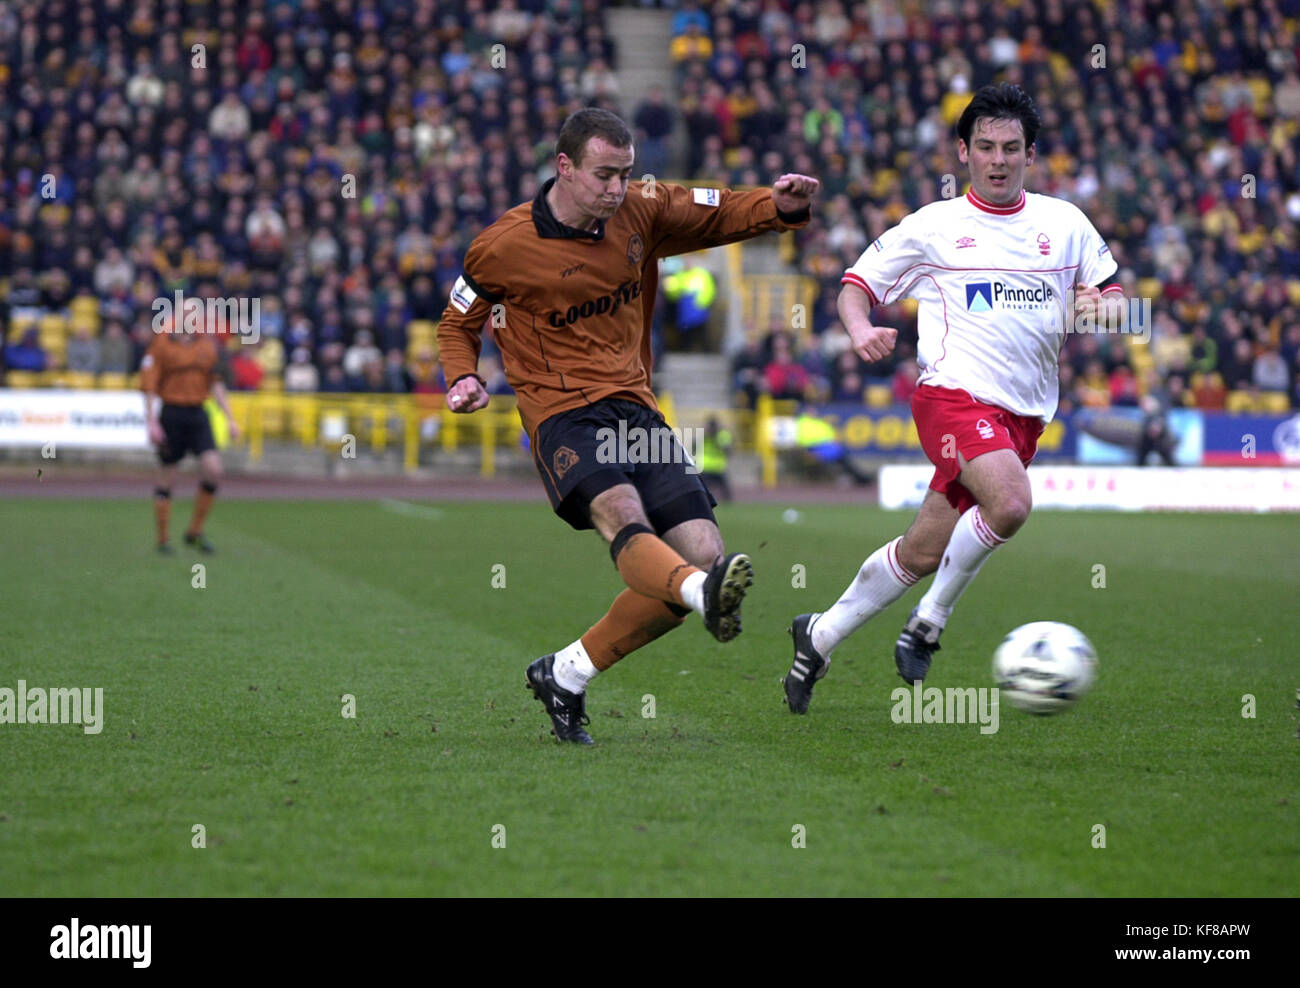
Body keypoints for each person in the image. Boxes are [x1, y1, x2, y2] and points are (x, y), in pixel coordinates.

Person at [437, 107, 818, 744]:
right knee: (624, 516)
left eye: (626, 173)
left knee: (702, 555)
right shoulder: (502, 245)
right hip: (562, 414)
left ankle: (566, 673)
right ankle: (702, 596)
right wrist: (461, 376)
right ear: (565, 166)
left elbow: (715, 210)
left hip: (635, 408)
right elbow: (458, 321)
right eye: (604, 174)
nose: (617, 188)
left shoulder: (641, 207)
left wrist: (777, 207)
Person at [782, 83, 1124, 713]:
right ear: (963, 152)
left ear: (1030, 154)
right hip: (951, 398)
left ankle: (819, 636)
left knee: (921, 550)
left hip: (1022, 416)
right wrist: (859, 329)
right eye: (986, 147)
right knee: (1011, 504)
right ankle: (928, 623)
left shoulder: (1065, 224)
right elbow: (855, 286)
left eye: (1012, 148)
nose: (999, 160)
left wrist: (1103, 309)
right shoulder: (934, 226)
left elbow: (1115, 302)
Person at [140, 319, 240, 554]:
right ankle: (163, 539)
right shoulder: (161, 345)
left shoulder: (207, 346)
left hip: (197, 413)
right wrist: (152, 422)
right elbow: (150, 387)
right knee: (167, 476)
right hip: (172, 413)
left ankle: (194, 531)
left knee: (214, 470)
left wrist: (230, 418)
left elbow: (216, 384)